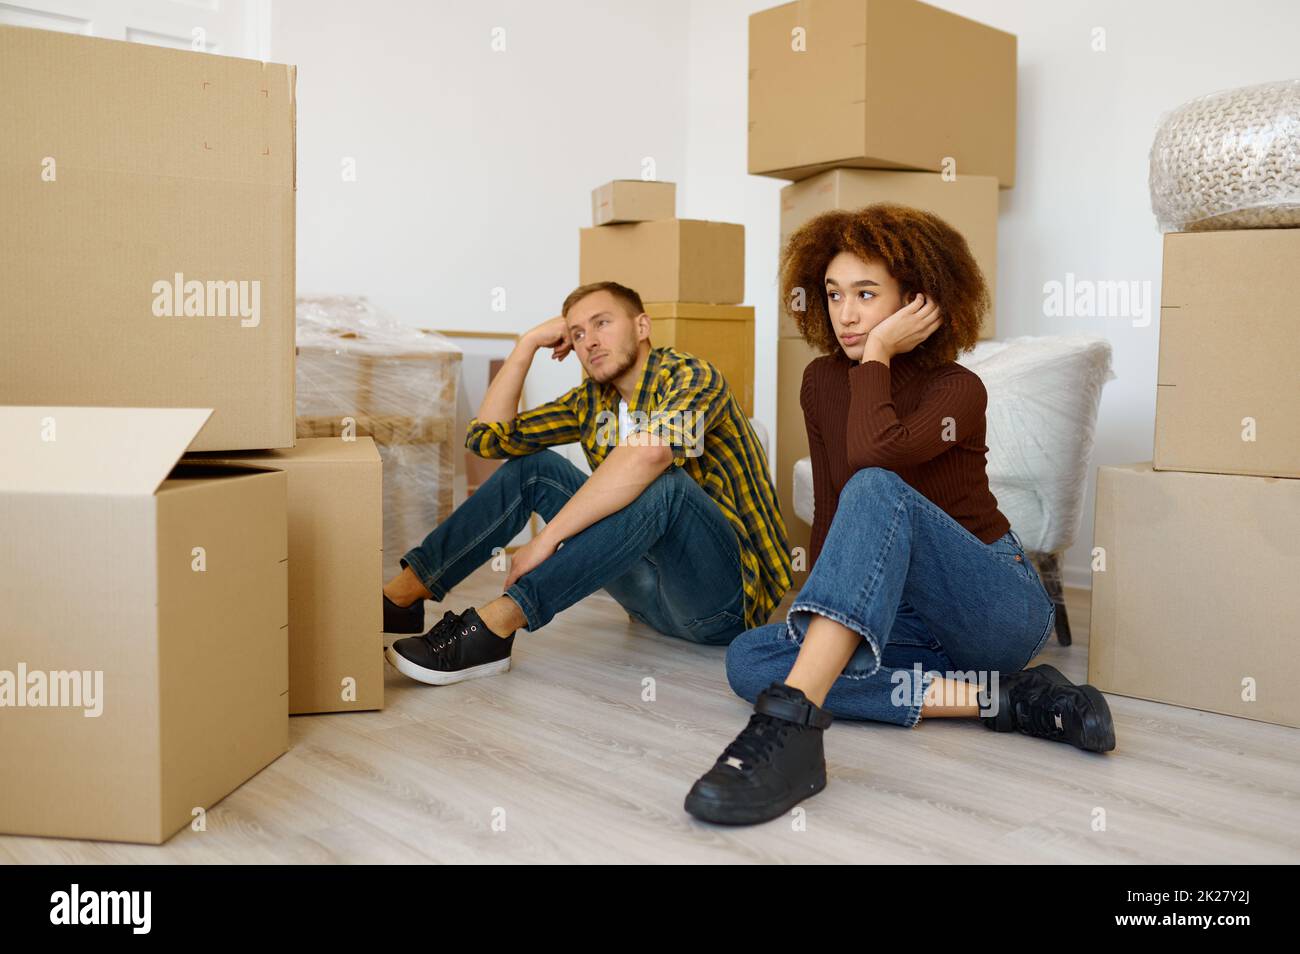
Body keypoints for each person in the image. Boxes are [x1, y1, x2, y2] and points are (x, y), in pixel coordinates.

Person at [684, 204, 1116, 826]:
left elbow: (871, 458)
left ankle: (792, 729)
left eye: (866, 294)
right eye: (834, 293)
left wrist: (878, 355)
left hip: (989, 607)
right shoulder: (821, 382)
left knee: (875, 486)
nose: (846, 314)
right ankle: (1003, 700)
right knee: (748, 659)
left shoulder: (958, 388)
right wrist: (824, 628)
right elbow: (831, 510)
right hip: (900, 622)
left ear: (919, 300)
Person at [382, 281, 792, 686]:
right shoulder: (591, 401)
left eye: (602, 323)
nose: (590, 341)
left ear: (642, 326)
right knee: (534, 467)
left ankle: (495, 625)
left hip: (722, 606)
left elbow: (650, 454)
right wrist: (527, 344)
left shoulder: (692, 375)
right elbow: (487, 439)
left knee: (662, 481)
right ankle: (401, 597)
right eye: (577, 333)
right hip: (646, 603)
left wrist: (545, 540)